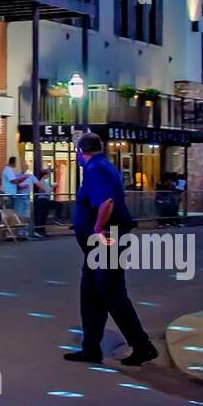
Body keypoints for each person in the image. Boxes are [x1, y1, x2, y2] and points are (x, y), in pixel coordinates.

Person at [65, 132, 157, 367]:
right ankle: (91, 348)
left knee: (112, 295)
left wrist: (96, 227)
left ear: (79, 152)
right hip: (100, 245)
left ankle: (142, 345)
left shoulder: (95, 169)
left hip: (106, 241)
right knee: (91, 295)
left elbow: (106, 202)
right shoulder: (104, 166)